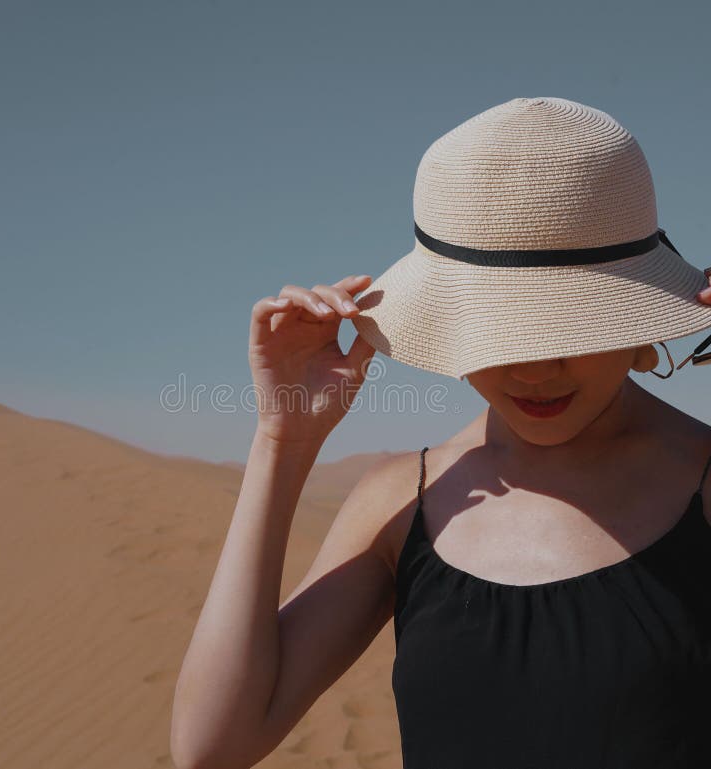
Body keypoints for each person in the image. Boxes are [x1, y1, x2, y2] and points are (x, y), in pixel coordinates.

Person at [170, 97, 711, 769]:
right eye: (499, 328)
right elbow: (212, 743)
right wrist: (284, 439)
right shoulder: (398, 502)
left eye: (573, 324)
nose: (534, 366)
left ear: (637, 313)